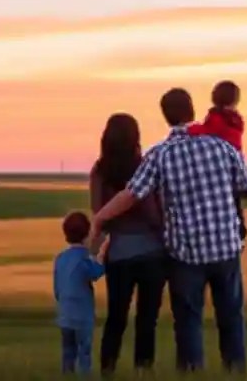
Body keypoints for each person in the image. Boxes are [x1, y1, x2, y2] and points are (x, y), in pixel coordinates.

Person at [90, 88, 247, 373]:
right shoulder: (222, 147)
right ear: (193, 110)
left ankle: (192, 371)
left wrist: (99, 220)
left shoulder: (160, 155)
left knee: (189, 319)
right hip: (225, 247)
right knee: (230, 316)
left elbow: (131, 194)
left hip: (186, 252)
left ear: (165, 116)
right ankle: (235, 371)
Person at [90, 113, 166, 373]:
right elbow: (155, 210)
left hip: (119, 253)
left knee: (116, 318)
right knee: (147, 320)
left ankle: (107, 370)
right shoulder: (145, 165)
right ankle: (143, 371)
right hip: (153, 253)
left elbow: (99, 212)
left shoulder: (100, 171)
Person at [187, 81, 247, 241]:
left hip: (214, 177)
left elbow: (203, 131)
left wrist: (189, 130)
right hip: (232, 178)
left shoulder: (216, 121)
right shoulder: (236, 122)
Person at [54, 211, 106, 375]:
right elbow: (96, 273)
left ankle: (67, 375)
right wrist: (102, 255)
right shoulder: (83, 258)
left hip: (65, 315)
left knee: (67, 353)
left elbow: (57, 287)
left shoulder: (60, 258)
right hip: (82, 317)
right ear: (86, 234)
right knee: (84, 353)